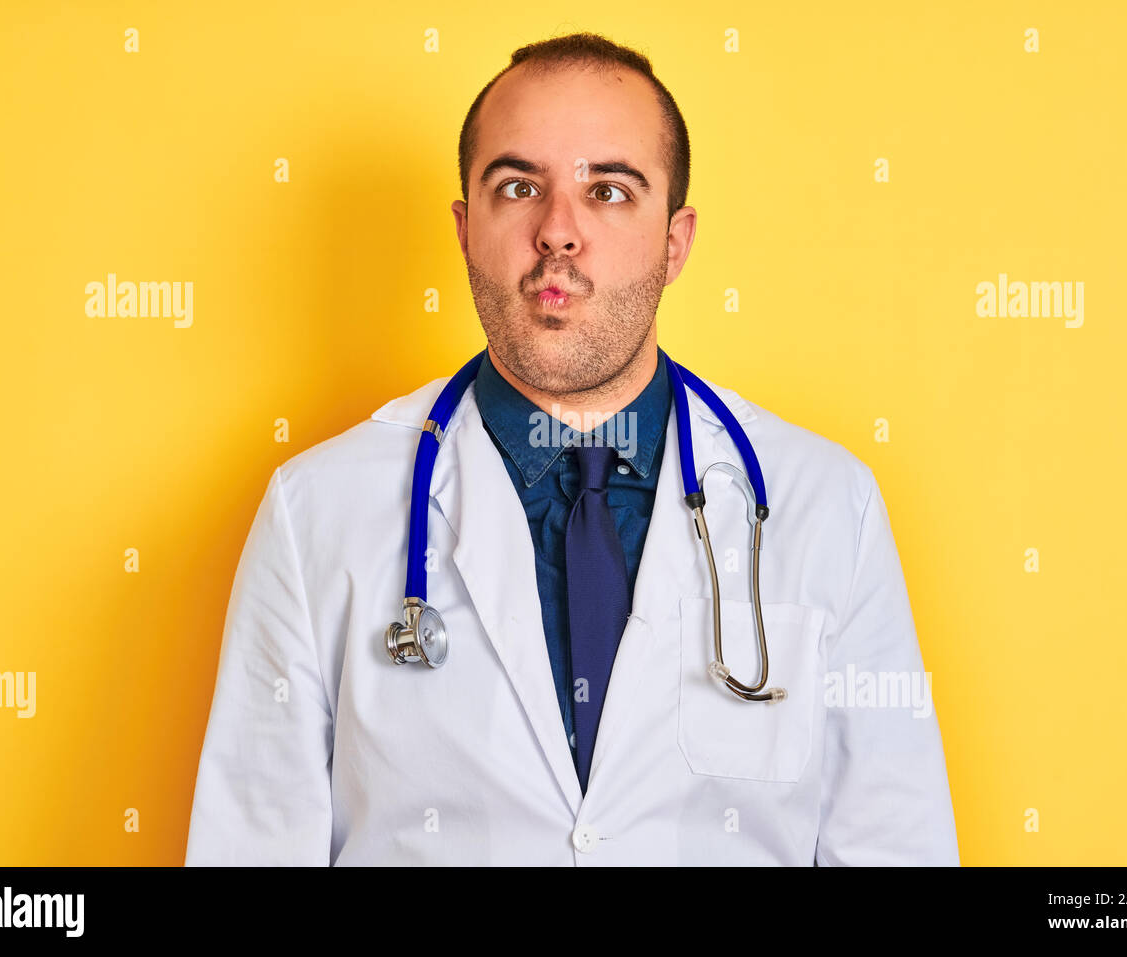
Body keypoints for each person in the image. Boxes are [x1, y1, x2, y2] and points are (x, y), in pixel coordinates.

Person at [184, 32, 960, 866]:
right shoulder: (317, 512)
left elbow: (896, 848)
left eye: (609, 191)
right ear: (465, 229)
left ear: (675, 242)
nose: (558, 232)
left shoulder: (828, 506)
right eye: (519, 187)